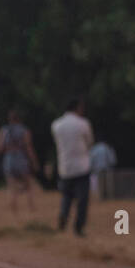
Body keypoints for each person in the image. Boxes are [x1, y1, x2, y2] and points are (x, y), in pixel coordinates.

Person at [51, 98, 93, 236]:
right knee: (82, 199)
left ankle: (63, 216)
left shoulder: (56, 125)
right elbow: (89, 142)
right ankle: (78, 227)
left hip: (65, 165)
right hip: (81, 166)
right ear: (78, 108)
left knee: (66, 196)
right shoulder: (83, 124)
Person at [0, 109, 38, 216]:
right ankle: (31, 207)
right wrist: (34, 161)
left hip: (9, 159)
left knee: (11, 186)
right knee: (28, 185)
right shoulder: (24, 130)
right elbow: (29, 147)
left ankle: (13, 210)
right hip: (21, 158)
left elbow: (0, 147)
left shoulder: (4, 130)